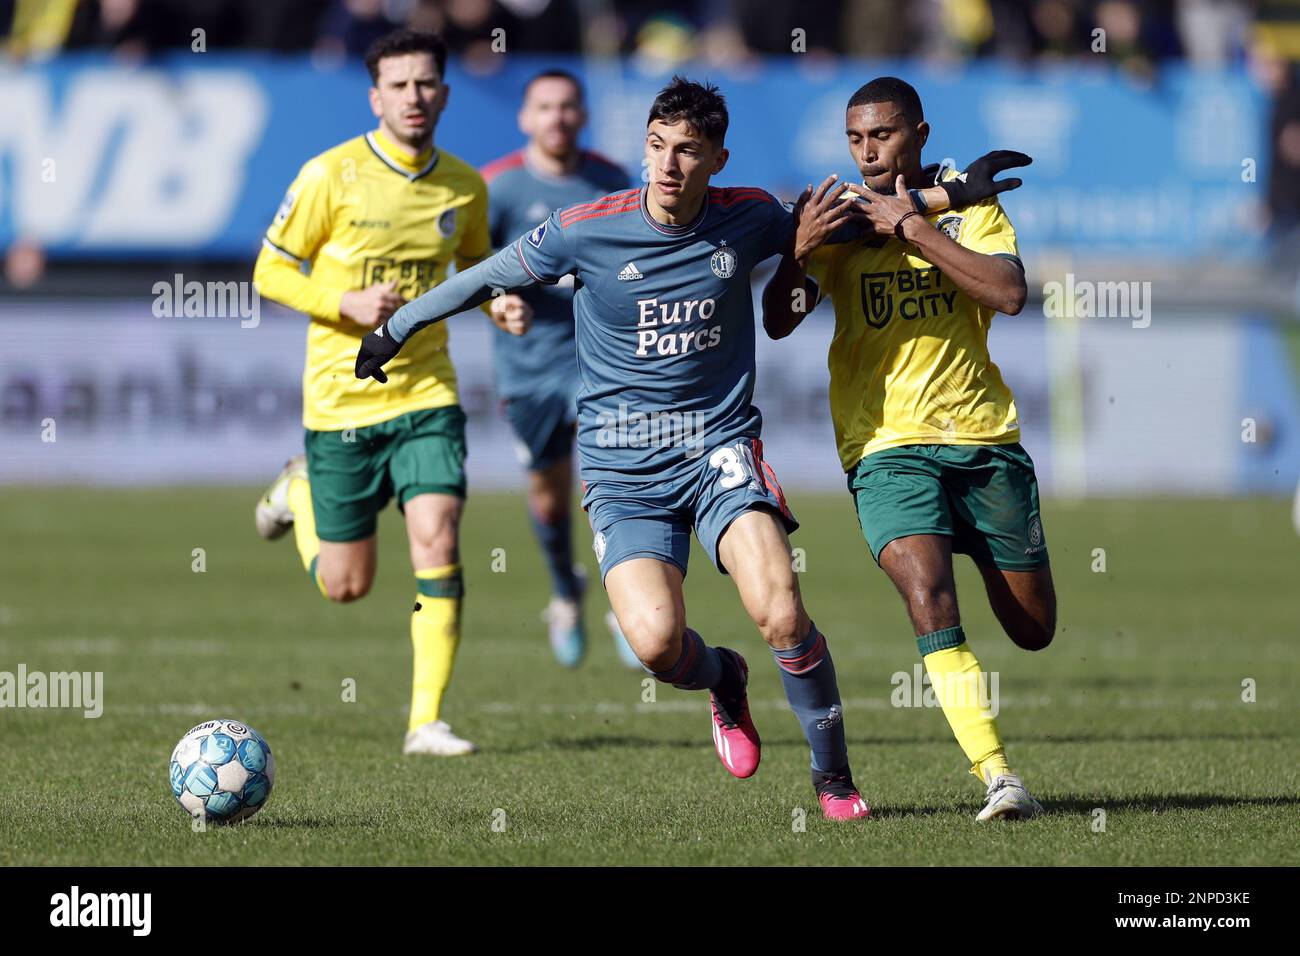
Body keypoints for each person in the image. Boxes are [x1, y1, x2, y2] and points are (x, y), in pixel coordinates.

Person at [355, 77, 1013, 817]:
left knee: (783, 613)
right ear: (645, 148)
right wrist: (396, 326)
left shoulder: (752, 217)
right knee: (657, 646)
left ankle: (834, 781)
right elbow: (486, 275)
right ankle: (724, 679)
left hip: (720, 451)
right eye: (658, 147)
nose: (669, 166)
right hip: (623, 466)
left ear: (717, 159)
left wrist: (954, 195)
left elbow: (857, 219)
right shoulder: (585, 228)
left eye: (688, 152)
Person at [762, 75, 1050, 820]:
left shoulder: (972, 206)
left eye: (882, 136)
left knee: (1033, 628)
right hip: (885, 446)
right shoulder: (835, 219)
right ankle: (998, 775)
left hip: (982, 439)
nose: (867, 153)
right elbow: (780, 321)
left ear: (919, 133)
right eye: (856, 139)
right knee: (927, 596)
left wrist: (916, 229)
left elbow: (1009, 294)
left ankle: (988, 554)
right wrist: (797, 254)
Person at [250, 28, 532, 757]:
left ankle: (425, 722)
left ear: (443, 92)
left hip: (426, 395)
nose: (414, 96)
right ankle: (297, 487)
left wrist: (497, 304)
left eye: (426, 83)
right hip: (342, 402)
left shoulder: (465, 185)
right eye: (399, 85)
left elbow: (474, 271)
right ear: (377, 97)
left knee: (438, 535)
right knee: (345, 586)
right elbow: (269, 271)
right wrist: (341, 303)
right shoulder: (329, 176)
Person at [480, 69, 640, 669]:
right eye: (545, 106)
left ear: (584, 114)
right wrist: (498, 301)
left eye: (569, 106)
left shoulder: (611, 182)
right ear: (526, 118)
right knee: (549, 500)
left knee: (612, 486)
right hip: (528, 368)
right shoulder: (498, 187)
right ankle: (564, 592)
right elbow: (470, 269)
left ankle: (628, 602)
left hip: (604, 365)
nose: (558, 117)